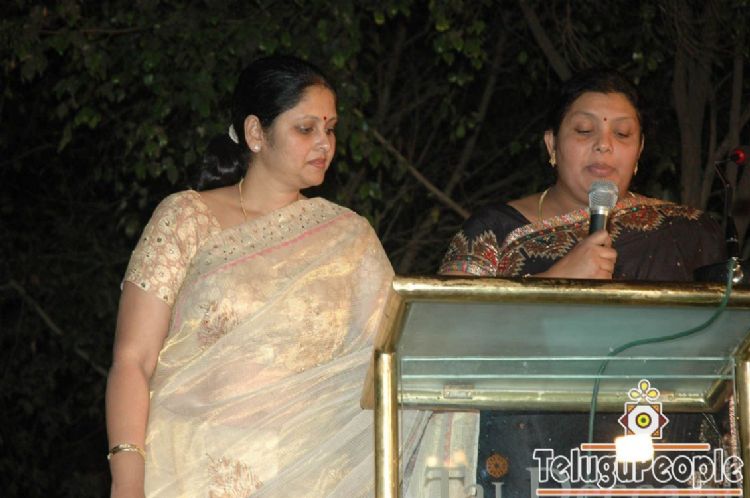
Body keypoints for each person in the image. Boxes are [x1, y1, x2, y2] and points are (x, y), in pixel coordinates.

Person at [105, 55, 425, 498]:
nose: (325, 144)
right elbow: (133, 360)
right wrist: (127, 480)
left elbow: (390, 361)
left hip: (314, 472)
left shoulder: (349, 238)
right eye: (306, 128)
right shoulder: (186, 218)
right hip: (191, 468)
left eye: (330, 129)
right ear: (256, 133)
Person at [438, 69, 728, 496]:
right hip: (530, 462)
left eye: (622, 134)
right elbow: (444, 345)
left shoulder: (689, 233)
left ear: (640, 150)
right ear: (551, 145)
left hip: (662, 463)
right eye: (584, 130)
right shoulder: (495, 232)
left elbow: (721, 360)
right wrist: (556, 281)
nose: (603, 145)